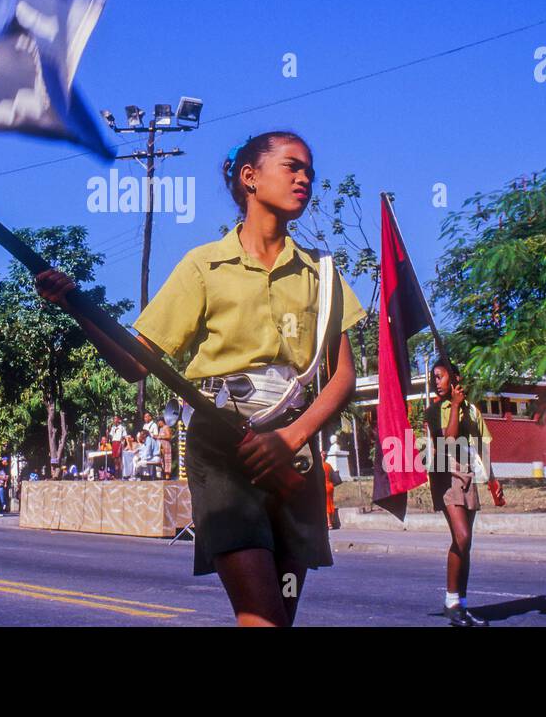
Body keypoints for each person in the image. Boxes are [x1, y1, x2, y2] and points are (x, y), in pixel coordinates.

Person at [36, 132, 364, 626]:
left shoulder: (321, 273)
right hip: (223, 445)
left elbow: (344, 377)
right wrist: (77, 307)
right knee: (263, 619)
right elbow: (135, 364)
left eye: (310, 173)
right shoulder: (203, 265)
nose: (304, 179)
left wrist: (292, 437)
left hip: (295, 452)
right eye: (292, 167)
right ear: (249, 178)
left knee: (282, 614)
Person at [426, 360, 500, 627]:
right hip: (446, 475)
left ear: (455, 378)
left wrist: (492, 478)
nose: (436, 381)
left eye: (440, 376)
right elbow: (447, 443)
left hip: (467, 473)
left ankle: (461, 604)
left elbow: (482, 445)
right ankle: (450, 600)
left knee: (465, 544)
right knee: (462, 535)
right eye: (433, 377)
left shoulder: (472, 410)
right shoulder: (434, 411)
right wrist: (455, 405)